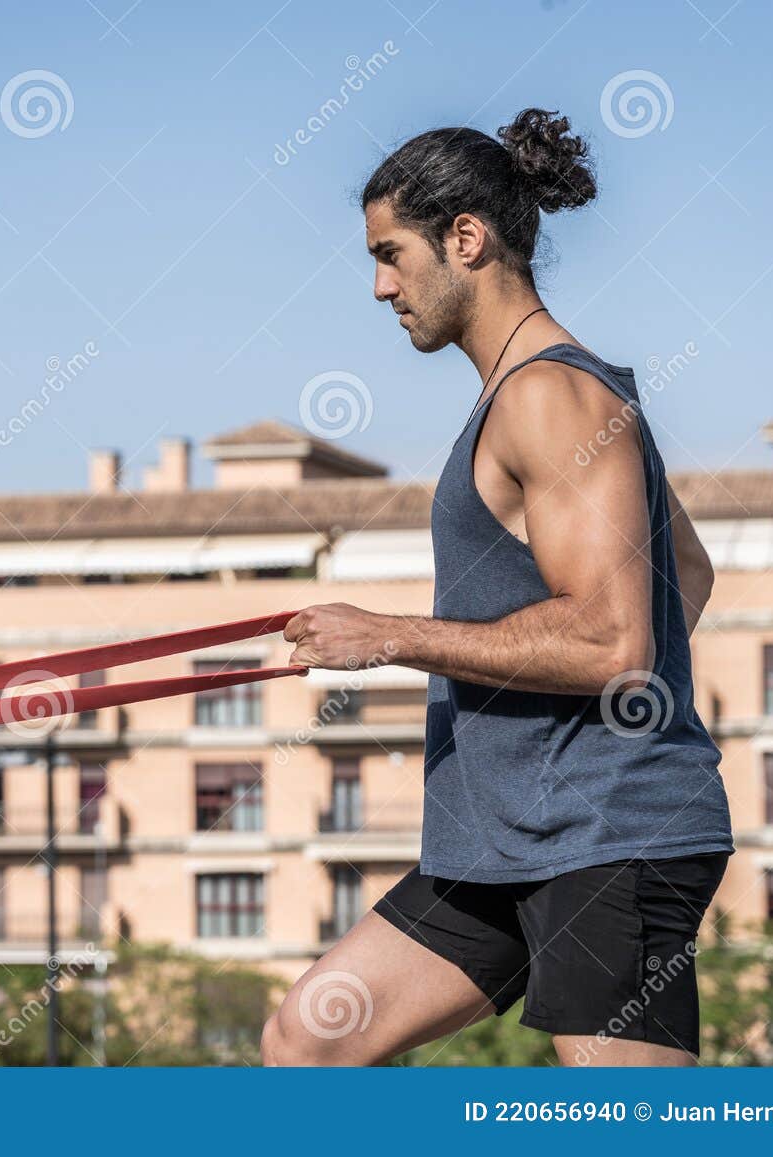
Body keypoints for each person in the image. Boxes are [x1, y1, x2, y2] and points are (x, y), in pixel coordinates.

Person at [265, 109, 733, 1067]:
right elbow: (686, 571)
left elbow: (613, 642)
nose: (381, 284)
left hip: (609, 838)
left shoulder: (550, 398)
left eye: (393, 253)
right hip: (506, 837)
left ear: (466, 239)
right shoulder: (532, 398)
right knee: (309, 1034)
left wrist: (388, 636)